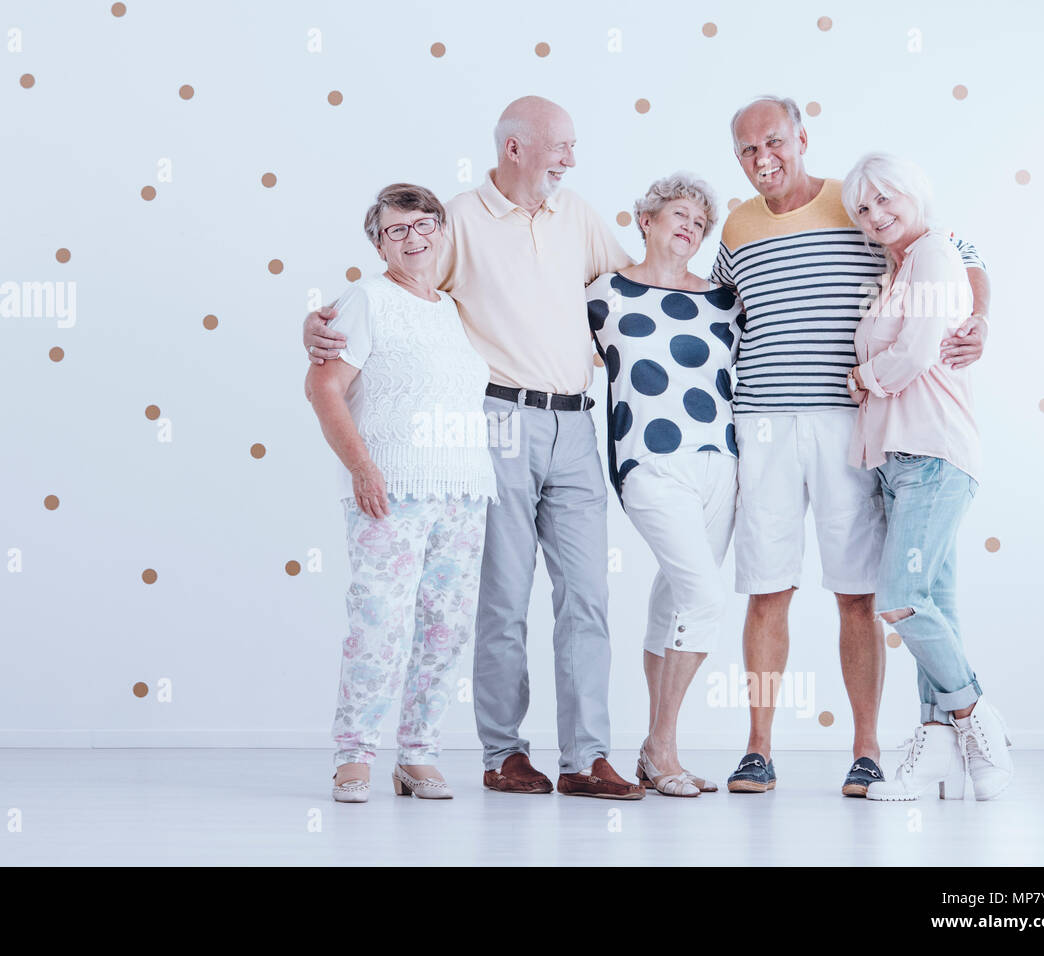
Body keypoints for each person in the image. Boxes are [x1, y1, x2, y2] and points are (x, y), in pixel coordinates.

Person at [305, 97, 644, 799]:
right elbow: (397, 288)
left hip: (576, 421)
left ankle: (586, 757)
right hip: (498, 423)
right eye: (561, 147)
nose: (571, 161)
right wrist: (319, 328)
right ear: (515, 148)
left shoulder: (577, 212)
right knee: (499, 600)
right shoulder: (455, 217)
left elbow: (630, 291)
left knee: (586, 596)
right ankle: (501, 753)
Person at [712, 96, 992, 796]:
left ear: (802, 137)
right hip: (764, 423)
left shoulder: (860, 202)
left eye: (773, 142)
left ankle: (867, 750)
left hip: (852, 421)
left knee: (858, 593)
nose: (761, 159)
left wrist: (982, 317)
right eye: (746, 150)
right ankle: (757, 749)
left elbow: (961, 252)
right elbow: (710, 311)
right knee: (766, 587)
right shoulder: (737, 227)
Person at [305, 184, 497, 803]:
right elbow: (323, 389)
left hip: (463, 491)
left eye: (423, 224)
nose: (414, 238)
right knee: (380, 621)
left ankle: (418, 753)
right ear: (379, 242)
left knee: (445, 626)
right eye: (397, 230)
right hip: (390, 489)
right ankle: (354, 754)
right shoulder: (366, 299)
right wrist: (363, 468)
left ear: (441, 229)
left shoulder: (452, 307)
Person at [838, 153, 1012, 801]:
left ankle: (975, 717)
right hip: (901, 460)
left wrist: (864, 379)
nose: (877, 215)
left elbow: (916, 350)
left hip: (933, 455)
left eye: (887, 200)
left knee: (899, 597)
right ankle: (938, 743)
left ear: (914, 195)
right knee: (934, 604)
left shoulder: (936, 253)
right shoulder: (901, 267)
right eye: (864, 208)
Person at [584, 173, 741, 796]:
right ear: (644, 219)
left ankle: (655, 748)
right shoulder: (604, 293)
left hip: (722, 464)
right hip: (649, 461)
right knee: (704, 599)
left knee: (676, 599)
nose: (689, 227)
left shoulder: (726, 301)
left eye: (700, 223)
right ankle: (662, 746)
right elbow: (537, 339)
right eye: (678, 214)